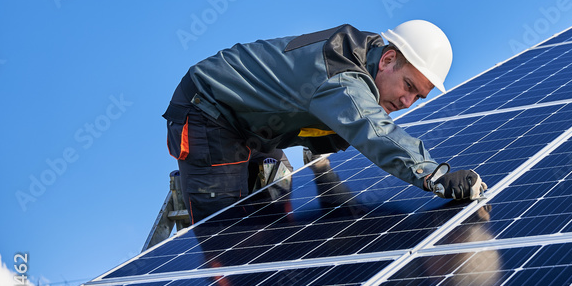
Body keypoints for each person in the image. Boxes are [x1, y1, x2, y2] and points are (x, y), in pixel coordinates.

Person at [163, 20, 486, 223]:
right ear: (388, 60)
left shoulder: (369, 56)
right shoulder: (341, 77)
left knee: (275, 206)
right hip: (209, 111)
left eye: (418, 97)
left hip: (258, 125)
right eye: (409, 87)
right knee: (227, 232)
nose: (406, 102)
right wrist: (433, 175)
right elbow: (373, 130)